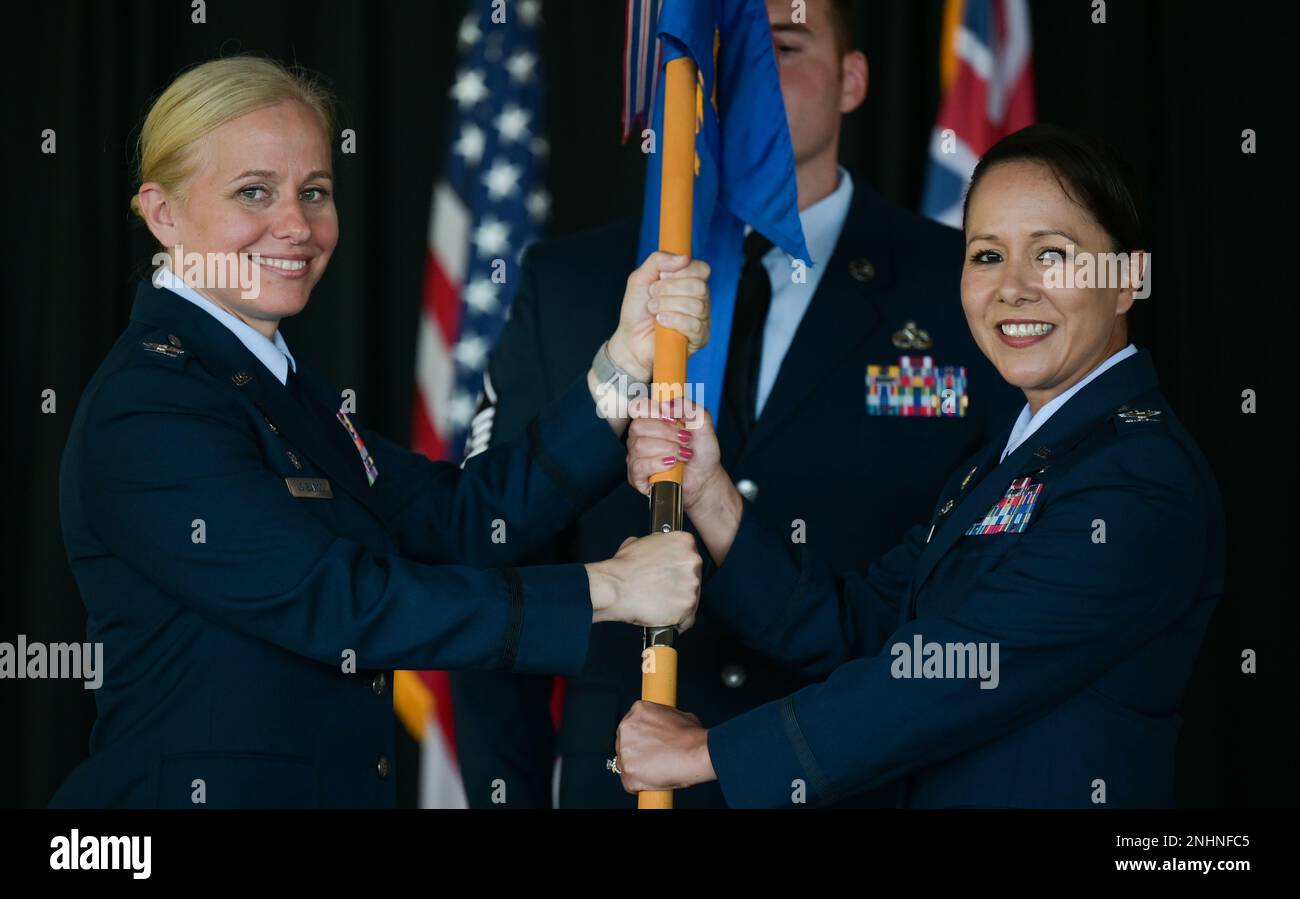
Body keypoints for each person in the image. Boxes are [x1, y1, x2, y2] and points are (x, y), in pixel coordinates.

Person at [50, 55, 709, 809]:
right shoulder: (151, 404)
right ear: (163, 213)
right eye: (253, 192)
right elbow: (337, 602)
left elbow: (459, 521)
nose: (295, 224)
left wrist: (621, 367)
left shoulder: (268, 382)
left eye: (315, 192)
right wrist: (609, 588)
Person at [450, 0, 1022, 808]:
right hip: (622, 786)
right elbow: (495, 560)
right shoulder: (574, 286)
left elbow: (978, 598)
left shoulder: (956, 283)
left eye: (781, 48)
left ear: (852, 80)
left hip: (853, 786)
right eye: (719, 53)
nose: (743, 78)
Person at [616, 124, 1225, 808]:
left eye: (1053, 255)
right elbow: (861, 630)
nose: (1013, 288)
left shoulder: (1137, 478)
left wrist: (705, 753)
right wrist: (709, 494)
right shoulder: (1004, 463)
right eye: (987, 254)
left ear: (1127, 279)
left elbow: (950, 676)